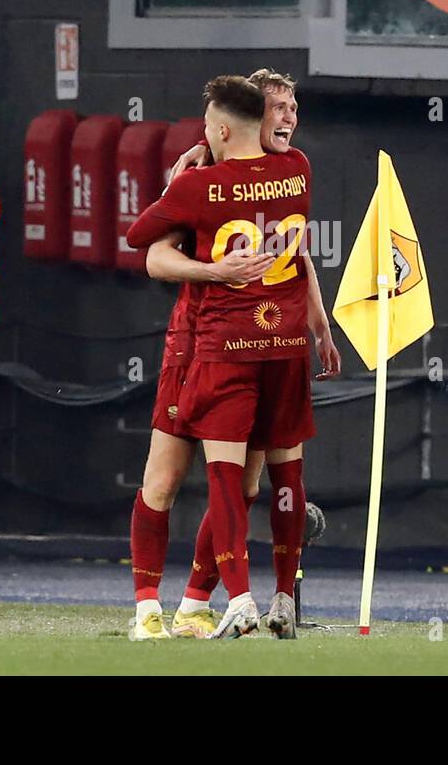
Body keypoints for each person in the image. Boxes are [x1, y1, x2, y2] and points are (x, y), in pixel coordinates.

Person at [125, 68, 340, 640]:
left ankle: (198, 603)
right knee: (166, 478)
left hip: (247, 346)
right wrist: (214, 268)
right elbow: (152, 259)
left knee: (241, 486)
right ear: (251, 119)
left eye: (295, 108)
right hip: (194, 343)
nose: (289, 118)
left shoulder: (241, 175)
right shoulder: (275, 172)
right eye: (278, 108)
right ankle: (147, 609)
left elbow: (295, 256)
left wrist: (318, 320)